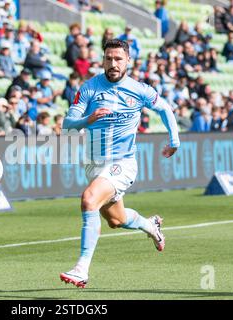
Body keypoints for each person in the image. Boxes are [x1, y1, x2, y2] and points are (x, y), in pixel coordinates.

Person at [60, 39, 180, 288]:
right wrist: (87, 119)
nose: (113, 63)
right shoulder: (90, 88)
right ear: (103, 60)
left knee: (89, 199)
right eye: (109, 58)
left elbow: (165, 109)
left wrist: (174, 140)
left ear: (128, 61)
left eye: (118, 59)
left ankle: (82, 268)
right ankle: (151, 226)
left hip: (122, 163)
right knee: (116, 220)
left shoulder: (139, 89)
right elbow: (68, 123)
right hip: (94, 163)